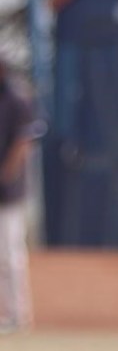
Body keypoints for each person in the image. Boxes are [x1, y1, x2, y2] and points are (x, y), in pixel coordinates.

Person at [0, 57, 36, 335]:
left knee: (11, 254)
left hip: (8, 192)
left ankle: (18, 315)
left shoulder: (16, 98)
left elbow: (23, 143)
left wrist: (7, 173)